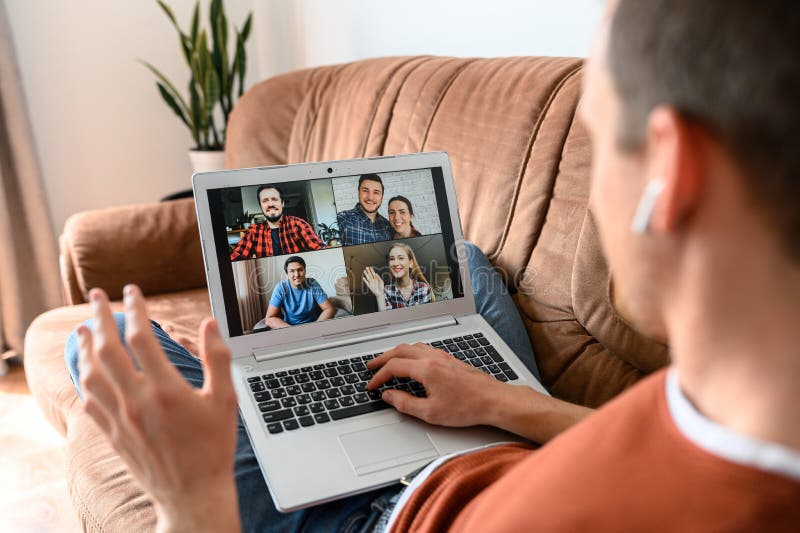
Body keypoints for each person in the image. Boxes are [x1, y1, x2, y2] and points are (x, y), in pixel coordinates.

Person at [66, 0, 800, 530]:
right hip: (497, 434)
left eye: (602, 138)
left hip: (384, 511)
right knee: (466, 261)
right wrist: (499, 401)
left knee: (88, 343)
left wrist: (190, 501)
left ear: (671, 171)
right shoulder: (728, 390)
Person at [230, 185, 325, 261]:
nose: (270, 204)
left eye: (274, 199)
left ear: (282, 203)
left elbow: (321, 251)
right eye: (265, 201)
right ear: (261, 206)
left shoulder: (298, 224)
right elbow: (236, 257)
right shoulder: (254, 231)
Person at [264, 256, 335, 328]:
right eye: (292, 271)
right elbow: (269, 319)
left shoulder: (312, 283)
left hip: (312, 326)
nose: (297, 274)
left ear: (305, 271)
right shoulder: (280, 288)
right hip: (289, 328)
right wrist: (292, 331)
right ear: (287, 274)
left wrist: (316, 327)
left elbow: (329, 309)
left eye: (300, 270)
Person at [362, 242, 433, 310]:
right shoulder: (386, 291)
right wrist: (380, 296)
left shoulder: (424, 288)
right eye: (392, 259)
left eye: (401, 258)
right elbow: (387, 320)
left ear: (411, 263)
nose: (395, 263)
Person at [336, 174, 394, 245]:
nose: (370, 197)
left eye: (376, 192)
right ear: (358, 192)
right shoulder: (341, 219)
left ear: (382, 196)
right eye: (365, 190)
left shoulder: (388, 226)